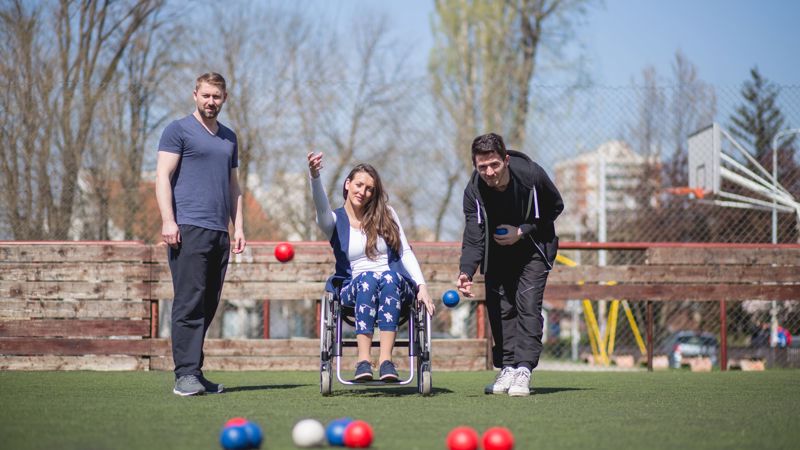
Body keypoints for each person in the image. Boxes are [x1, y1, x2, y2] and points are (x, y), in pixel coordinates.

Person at [307, 152, 435, 382]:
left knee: (387, 278)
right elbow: (320, 207)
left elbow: (405, 251)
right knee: (367, 279)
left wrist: (421, 285)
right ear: (347, 184)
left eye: (369, 189)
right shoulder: (333, 220)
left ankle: (386, 361)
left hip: (394, 285)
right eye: (358, 185)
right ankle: (363, 361)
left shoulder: (387, 214)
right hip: (353, 287)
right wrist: (315, 176)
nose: (363, 192)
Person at [155, 72, 246, 396]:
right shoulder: (178, 130)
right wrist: (169, 221)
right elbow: (163, 176)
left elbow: (234, 186)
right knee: (189, 303)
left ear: (224, 98)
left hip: (219, 232)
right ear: (195, 94)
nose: (211, 102)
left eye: (216, 97)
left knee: (207, 304)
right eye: (205, 95)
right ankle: (185, 376)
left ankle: (195, 370)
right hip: (188, 228)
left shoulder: (229, 138)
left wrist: (239, 227)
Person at [456, 133, 563, 397]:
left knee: (527, 306)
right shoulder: (474, 192)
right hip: (499, 254)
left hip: (533, 249)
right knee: (500, 310)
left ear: (505, 160)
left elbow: (555, 207)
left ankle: (524, 370)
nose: (489, 172)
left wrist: (522, 230)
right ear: (475, 166)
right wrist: (466, 271)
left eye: (494, 164)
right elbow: (473, 235)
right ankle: (508, 367)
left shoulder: (531, 176)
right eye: (482, 167)